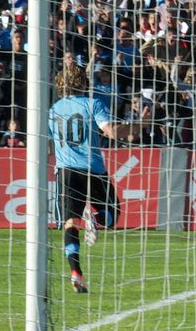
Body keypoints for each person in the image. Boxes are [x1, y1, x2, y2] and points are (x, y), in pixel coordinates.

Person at [48, 70, 148, 293]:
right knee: (112, 214)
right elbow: (111, 132)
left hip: (65, 171)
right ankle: (95, 219)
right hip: (93, 169)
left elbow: (48, 144)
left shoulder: (54, 109)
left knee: (69, 223)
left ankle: (76, 273)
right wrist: (140, 124)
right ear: (84, 83)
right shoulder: (93, 104)